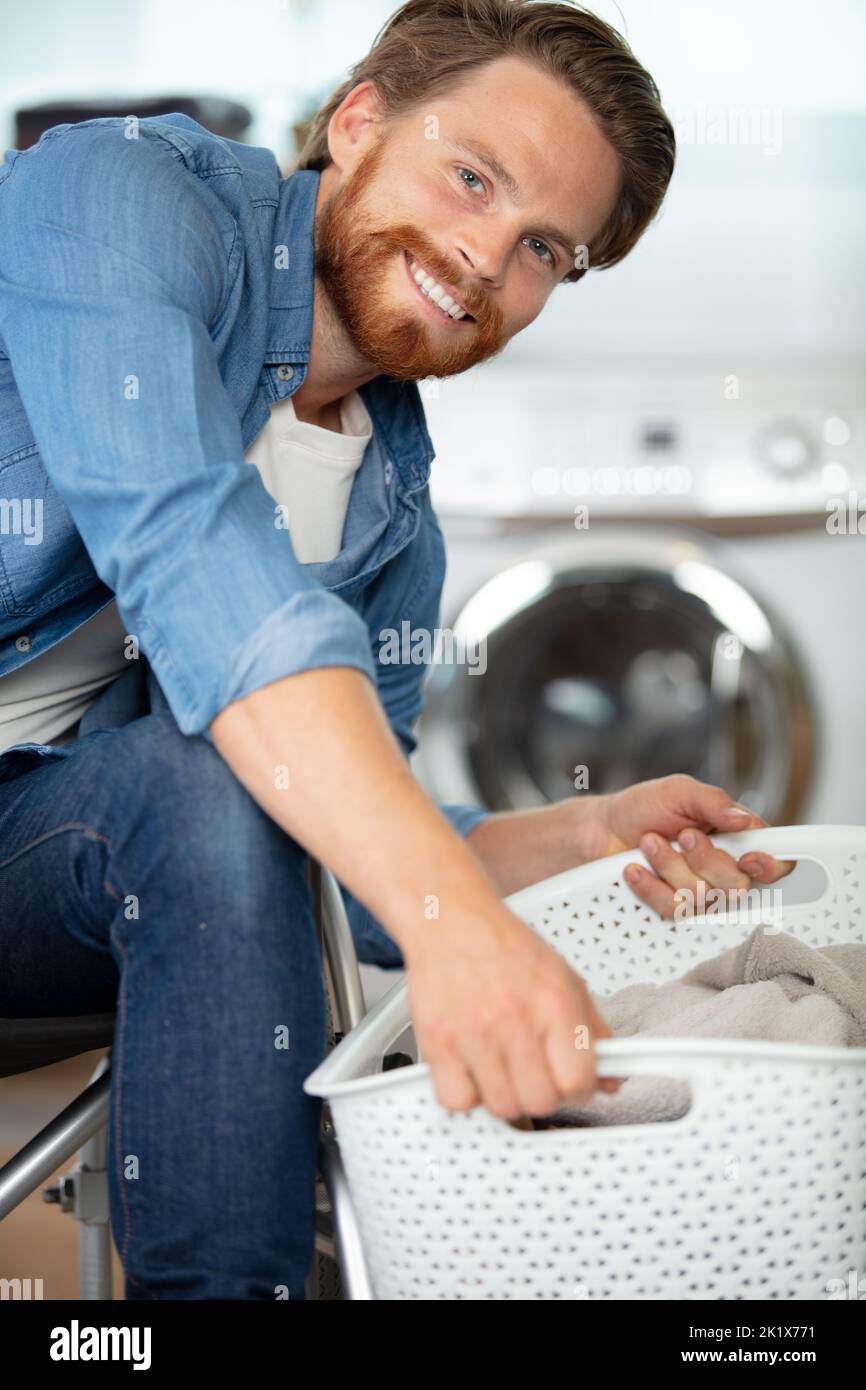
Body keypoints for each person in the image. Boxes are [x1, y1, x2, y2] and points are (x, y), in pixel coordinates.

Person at [0, 0, 791, 1299]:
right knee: (218, 776)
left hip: (41, 868)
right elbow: (188, 548)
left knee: (237, 794)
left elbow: (359, 860)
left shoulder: (389, 507)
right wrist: (459, 924)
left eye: (544, 245)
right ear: (359, 119)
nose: (487, 255)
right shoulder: (116, 194)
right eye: (471, 175)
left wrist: (578, 840)